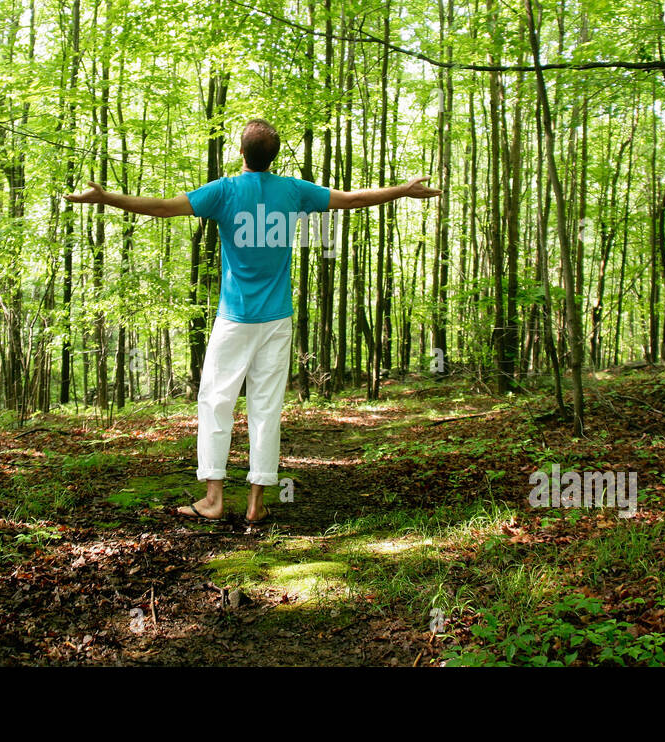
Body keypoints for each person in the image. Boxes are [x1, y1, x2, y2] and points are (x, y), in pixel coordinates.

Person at [66, 119, 440, 524]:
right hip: (277, 319)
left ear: (241, 153)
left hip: (235, 319)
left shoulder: (224, 191)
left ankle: (213, 498)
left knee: (215, 403)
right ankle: (256, 502)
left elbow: (161, 208)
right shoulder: (293, 191)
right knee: (266, 408)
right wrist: (402, 190)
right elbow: (350, 200)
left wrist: (107, 198)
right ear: (273, 157)